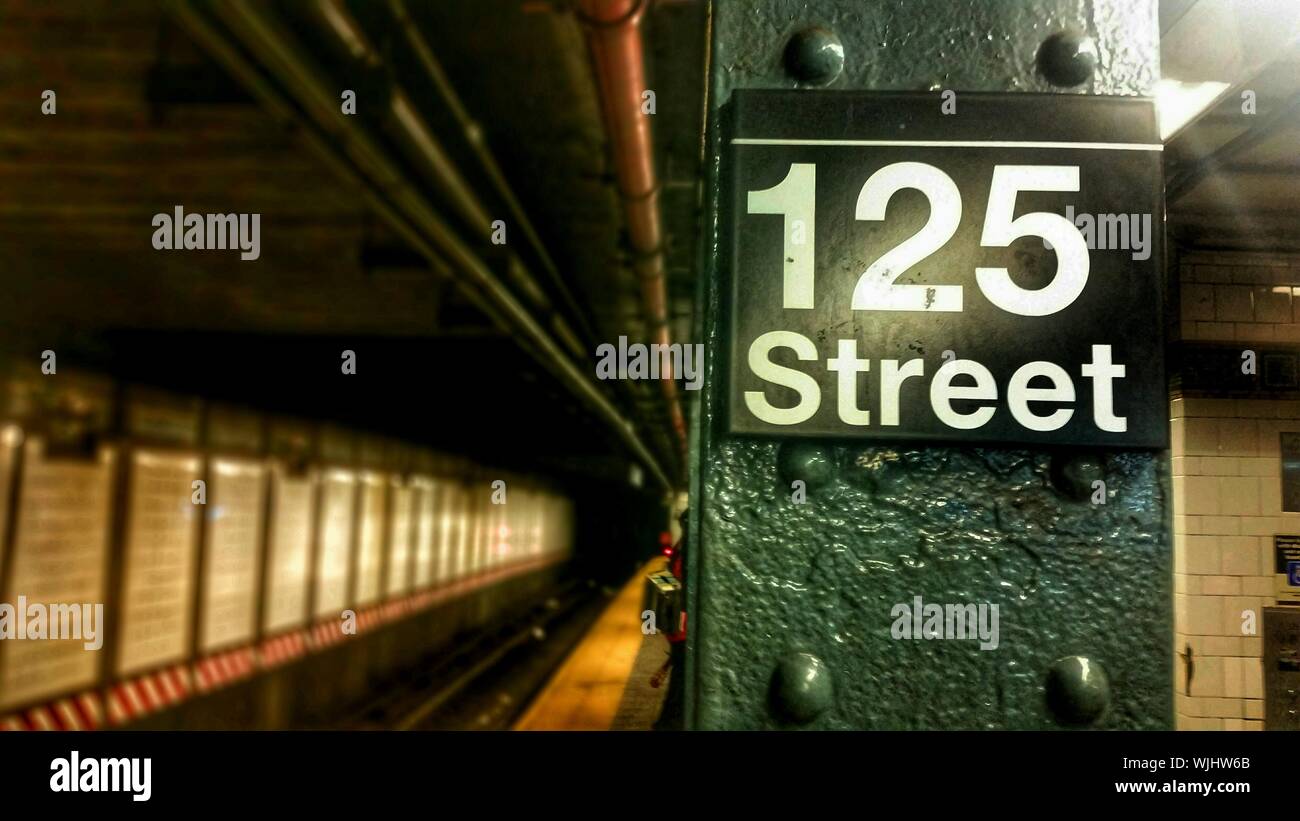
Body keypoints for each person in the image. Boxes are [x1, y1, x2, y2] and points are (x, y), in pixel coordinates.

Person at [652, 509, 688, 730]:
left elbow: (668, 580)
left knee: (679, 676)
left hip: (674, 623)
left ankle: (667, 722)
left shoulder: (679, 548)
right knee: (681, 681)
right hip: (682, 625)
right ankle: (668, 724)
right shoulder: (687, 550)